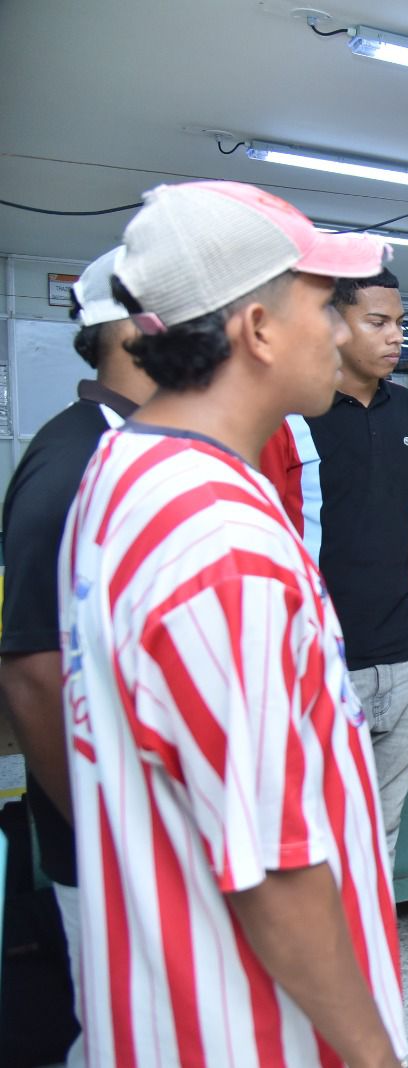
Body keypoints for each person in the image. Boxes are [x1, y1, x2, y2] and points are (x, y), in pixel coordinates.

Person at [61, 181, 407, 1065]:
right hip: (251, 1034)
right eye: (323, 305)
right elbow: (276, 867)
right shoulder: (223, 548)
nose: (341, 330)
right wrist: (377, 1055)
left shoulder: (125, 468)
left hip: (162, 1006)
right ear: (257, 329)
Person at [0, 247, 154, 1065]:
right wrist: (105, 832)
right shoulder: (73, 462)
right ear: (130, 332)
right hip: (103, 848)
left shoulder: (139, 450)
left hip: (148, 835)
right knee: (121, 1036)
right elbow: (29, 669)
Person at [260, 267, 408, 866]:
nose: (396, 336)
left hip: (399, 658)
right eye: (378, 323)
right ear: (334, 325)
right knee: (309, 834)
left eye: (400, 323)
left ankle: (370, 958)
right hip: (319, 660)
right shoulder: (290, 417)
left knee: (381, 828)